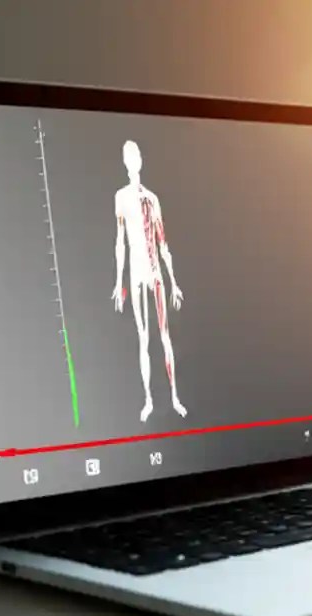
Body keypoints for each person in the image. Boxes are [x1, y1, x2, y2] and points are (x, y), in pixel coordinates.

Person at [111, 140, 186, 421]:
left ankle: (175, 398)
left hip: (155, 273)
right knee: (143, 339)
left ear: (140, 159)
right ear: (124, 161)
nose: (133, 160)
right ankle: (149, 401)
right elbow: (120, 242)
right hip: (137, 273)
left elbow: (163, 242)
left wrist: (174, 281)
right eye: (128, 156)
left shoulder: (152, 199)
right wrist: (119, 282)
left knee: (165, 337)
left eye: (136, 155)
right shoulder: (121, 197)